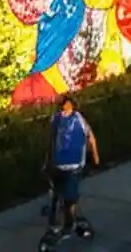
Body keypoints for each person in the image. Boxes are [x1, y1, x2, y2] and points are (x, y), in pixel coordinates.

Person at [46, 96, 100, 234]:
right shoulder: (61, 119)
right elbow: (52, 142)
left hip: (69, 166)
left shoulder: (69, 119)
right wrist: (95, 158)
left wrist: (95, 156)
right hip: (64, 166)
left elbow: (91, 138)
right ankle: (66, 220)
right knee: (64, 195)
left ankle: (67, 221)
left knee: (66, 195)